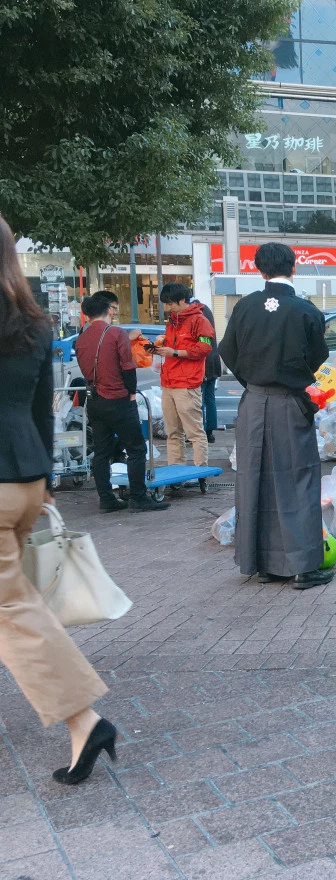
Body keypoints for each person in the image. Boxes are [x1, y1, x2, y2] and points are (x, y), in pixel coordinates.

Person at [0, 214, 117, 785]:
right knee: (13, 601)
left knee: (10, 610)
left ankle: (84, 719)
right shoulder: (31, 323)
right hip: (23, 478)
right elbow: (40, 406)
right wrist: (43, 477)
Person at [220, 243, 333, 590]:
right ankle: (302, 566)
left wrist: (253, 382)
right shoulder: (306, 311)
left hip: (253, 402)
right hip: (288, 402)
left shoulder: (244, 307)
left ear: (260, 270)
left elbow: (228, 351)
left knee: (255, 480)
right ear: (293, 268)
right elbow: (317, 356)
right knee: (297, 480)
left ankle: (264, 563)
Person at [75, 295, 168, 512]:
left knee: (101, 452)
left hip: (95, 400)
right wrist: (131, 393)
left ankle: (106, 499)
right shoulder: (116, 334)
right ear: (109, 310)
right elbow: (127, 366)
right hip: (118, 399)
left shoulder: (81, 338)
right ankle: (138, 497)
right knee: (136, 449)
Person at [155, 283, 214, 468]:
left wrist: (174, 352)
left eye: (170, 303)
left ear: (182, 300)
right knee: (172, 433)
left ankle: (200, 470)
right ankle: (176, 471)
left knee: (194, 432)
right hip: (169, 382)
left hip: (187, 384)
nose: (168, 307)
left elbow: (205, 348)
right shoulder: (173, 321)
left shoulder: (199, 320)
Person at [190, 294, 222, 445]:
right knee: (210, 398)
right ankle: (210, 432)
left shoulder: (196, 312)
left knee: (199, 399)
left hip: (203, 360)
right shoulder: (206, 309)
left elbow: (199, 342)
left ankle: (201, 431)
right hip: (214, 358)